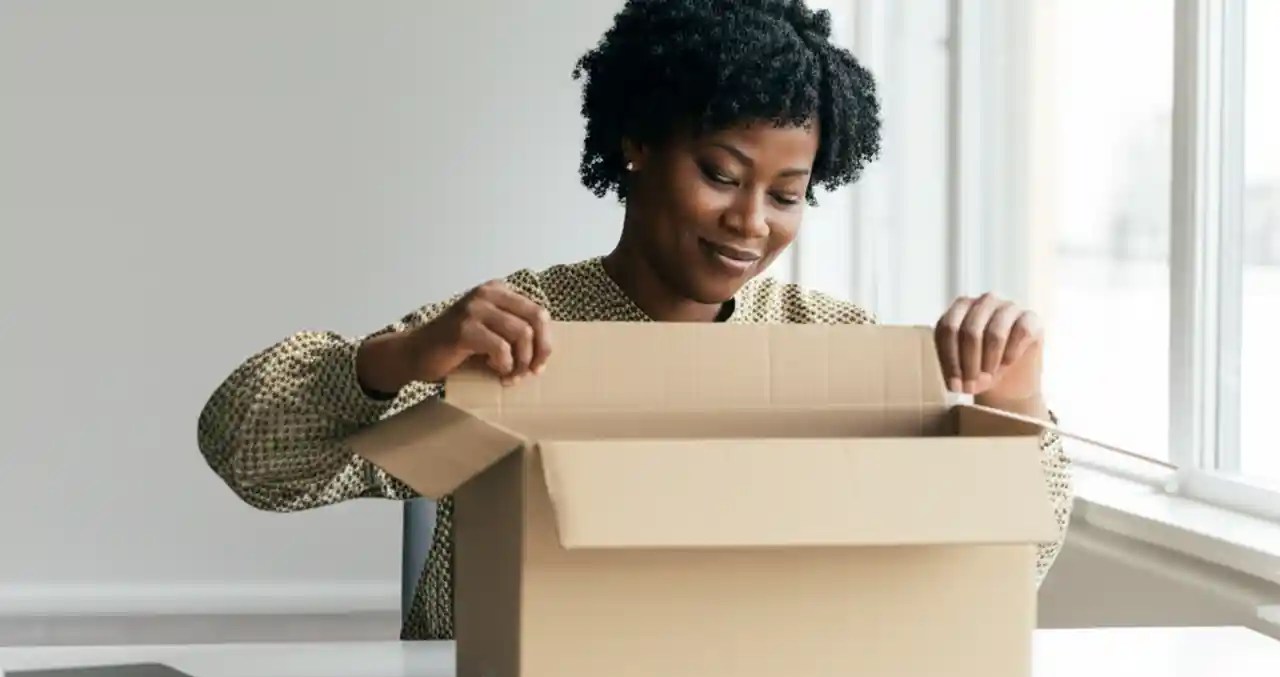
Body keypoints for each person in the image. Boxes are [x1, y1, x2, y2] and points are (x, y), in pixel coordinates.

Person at [197, 0, 1072, 642]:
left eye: (787, 196)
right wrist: (405, 357)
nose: (750, 222)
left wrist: (1013, 410)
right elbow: (251, 455)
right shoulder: (512, 330)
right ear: (640, 143)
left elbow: (1000, 566)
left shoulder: (832, 346)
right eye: (722, 174)